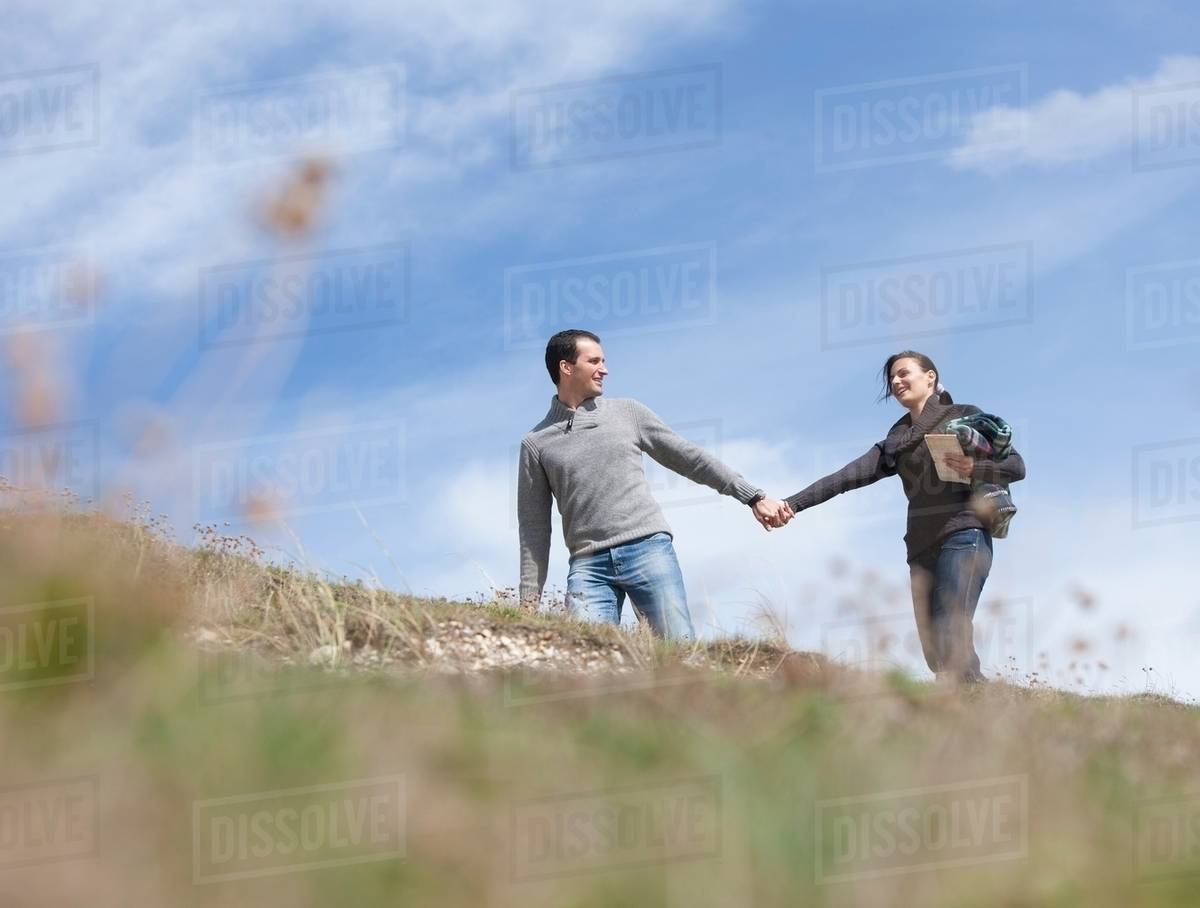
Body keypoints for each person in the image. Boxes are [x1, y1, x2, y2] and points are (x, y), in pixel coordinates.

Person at [517, 329, 792, 638]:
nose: (604, 369)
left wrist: (752, 496)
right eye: (594, 361)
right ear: (566, 367)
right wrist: (528, 603)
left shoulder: (628, 413)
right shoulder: (536, 443)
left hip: (648, 550)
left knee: (678, 649)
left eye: (603, 361)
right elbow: (533, 528)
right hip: (588, 567)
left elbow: (689, 458)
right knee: (587, 653)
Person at [779, 351, 1026, 683]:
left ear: (930, 377)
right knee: (935, 653)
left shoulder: (964, 415)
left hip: (964, 535)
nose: (895, 381)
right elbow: (844, 477)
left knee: (951, 630)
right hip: (921, 548)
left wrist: (974, 466)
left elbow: (1016, 466)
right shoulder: (896, 442)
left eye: (904, 373)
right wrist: (792, 504)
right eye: (892, 378)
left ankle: (975, 696)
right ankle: (957, 704)